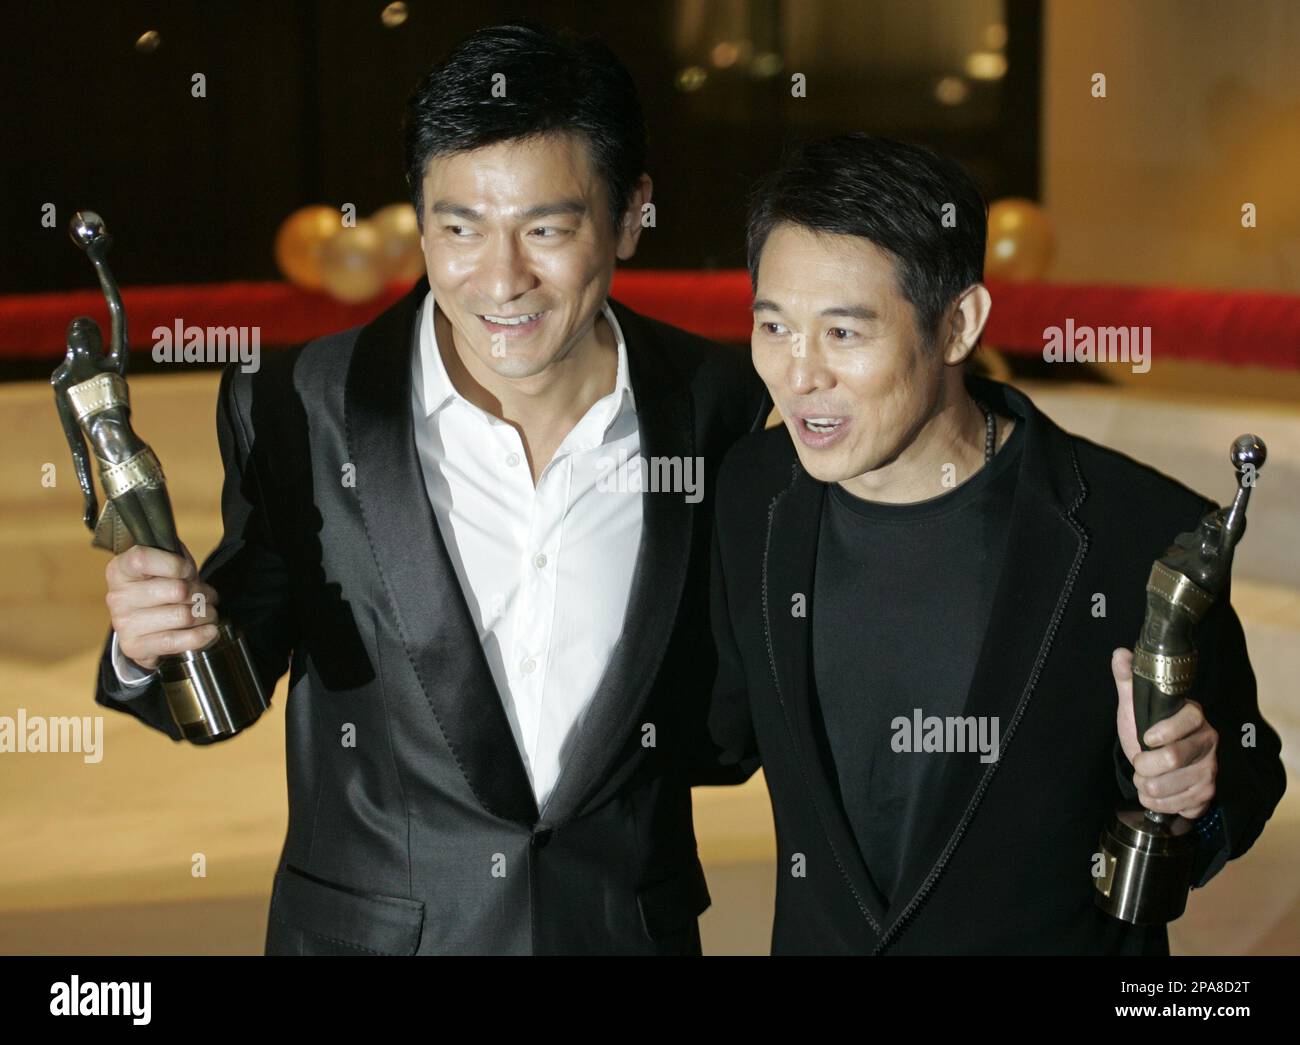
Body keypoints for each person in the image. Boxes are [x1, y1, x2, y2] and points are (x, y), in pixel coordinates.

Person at [95, 22, 768, 955]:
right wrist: (153, 641)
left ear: (629, 215)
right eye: (458, 228)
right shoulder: (301, 405)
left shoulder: (719, 400)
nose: (501, 279)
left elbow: (722, 721)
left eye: (546, 228)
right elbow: (229, 672)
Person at [702, 134, 1285, 954]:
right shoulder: (752, 493)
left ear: (958, 323)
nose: (798, 375)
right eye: (773, 325)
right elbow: (714, 733)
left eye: (842, 334)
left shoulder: (1138, 532)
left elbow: (1248, 773)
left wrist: (1194, 787)